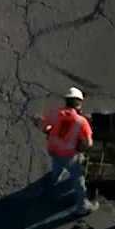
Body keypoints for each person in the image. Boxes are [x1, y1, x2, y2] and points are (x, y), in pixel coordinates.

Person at [36, 87, 99, 215]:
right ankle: (82, 207)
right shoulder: (81, 122)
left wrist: (49, 130)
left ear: (66, 101)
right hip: (70, 156)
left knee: (57, 165)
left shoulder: (55, 113)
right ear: (79, 103)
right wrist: (80, 148)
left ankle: (54, 178)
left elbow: (45, 126)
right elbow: (89, 143)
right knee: (78, 181)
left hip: (53, 150)